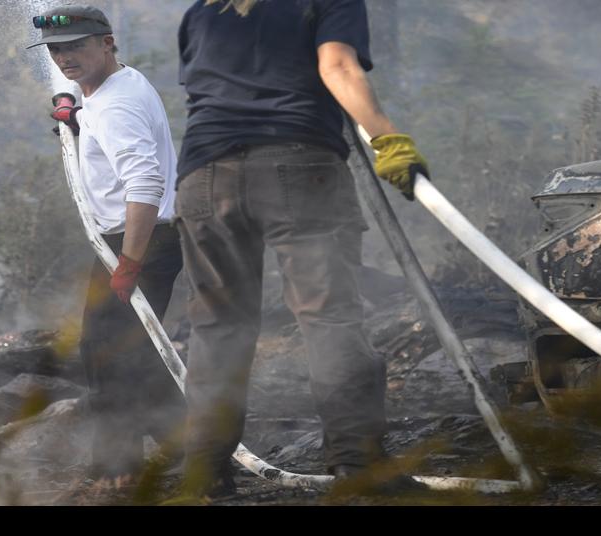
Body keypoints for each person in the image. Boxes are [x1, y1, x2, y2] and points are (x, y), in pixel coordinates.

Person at [169, 0, 431, 502]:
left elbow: (209, 89)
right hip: (297, 164)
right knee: (328, 318)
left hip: (205, 175)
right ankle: (358, 468)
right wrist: (387, 139)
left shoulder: (202, 10)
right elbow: (335, 66)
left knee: (219, 326)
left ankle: (203, 477)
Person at [30, 5, 185, 488]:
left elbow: (145, 182)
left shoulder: (114, 105)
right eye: (56, 50)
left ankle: (119, 466)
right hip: (133, 240)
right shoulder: (113, 85)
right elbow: (89, 93)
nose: (64, 58)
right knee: (118, 351)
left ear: (107, 42)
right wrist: (75, 118)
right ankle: (195, 447)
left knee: (110, 355)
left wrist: (130, 262)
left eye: (76, 46)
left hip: (138, 241)